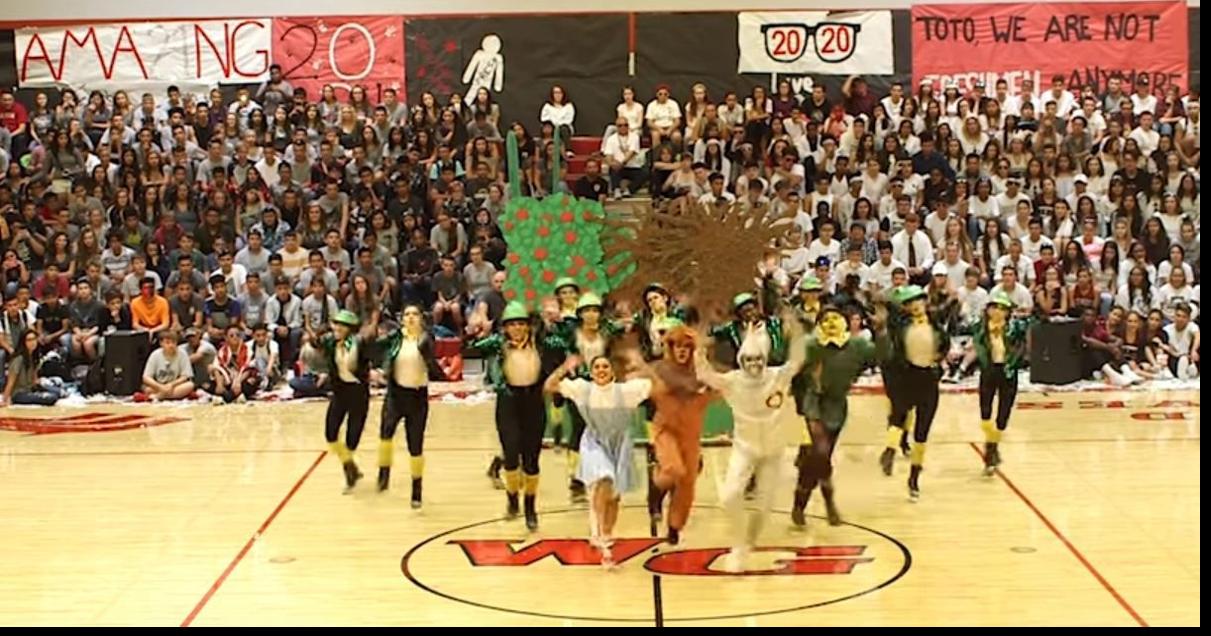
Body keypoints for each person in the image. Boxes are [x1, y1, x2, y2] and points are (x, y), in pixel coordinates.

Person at [695, 316, 807, 571]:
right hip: (745, 448)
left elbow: (798, 360)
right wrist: (699, 349)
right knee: (730, 496)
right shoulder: (732, 381)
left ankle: (748, 543)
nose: (754, 364)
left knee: (764, 505)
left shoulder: (778, 377)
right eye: (749, 359)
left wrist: (797, 333)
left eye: (758, 359)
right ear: (741, 361)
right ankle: (738, 542)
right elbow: (704, 374)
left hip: (773, 451)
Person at [545, 353, 651, 569]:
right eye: (597, 367)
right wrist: (565, 367)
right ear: (591, 372)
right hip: (594, 441)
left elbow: (658, 386)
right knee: (604, 479)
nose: (601, 370)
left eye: (605, 366)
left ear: (612, 371)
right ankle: (599, 534)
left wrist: (642, 366)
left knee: (613, 496)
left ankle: (606, 534)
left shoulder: (626, 391)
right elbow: (550, 385)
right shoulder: (582, 389)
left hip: (620, 445)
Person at [470, 302, 567, 531]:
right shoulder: (498, 344)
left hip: (533, 402)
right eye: (512, 325)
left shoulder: (542, 344)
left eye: (521, 324)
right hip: (508, 402)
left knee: (532, 460)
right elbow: (474, 348)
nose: (517, 329)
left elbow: (565, 344)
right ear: (505, 328)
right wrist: (479, 331)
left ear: (529, 326)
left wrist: (559, 323)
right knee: (511, 455)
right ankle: (512, 498)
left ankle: (530, 507)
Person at [788, 306, 876, 527]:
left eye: (836, 318)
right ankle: (829, 503)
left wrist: (883, 329)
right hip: (813, 403)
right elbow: (791, 370)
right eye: (826, 319)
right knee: (821, 451)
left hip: (837, 406)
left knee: (817, 460)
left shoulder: (855, 346)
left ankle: (800, 500)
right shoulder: (810, 345)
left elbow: (879, 356)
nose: (831, 323)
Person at [877, 285, 949, 500]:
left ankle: (914, 477)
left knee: (922, 433)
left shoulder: (935, 325)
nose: (915, 306)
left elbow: (944, 344)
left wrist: (940, 358)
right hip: (907, 376)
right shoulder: (900, 325)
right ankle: (889, 450)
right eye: (909, 304)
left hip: (929, 379)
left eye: (918, 301)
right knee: (899, 415)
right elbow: (888, 306)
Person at [376, 304, 445, 507]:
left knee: (415, 445)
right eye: (407, 314)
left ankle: (417, 487)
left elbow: (433, 362)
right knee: (386, 434)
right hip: (396, 394)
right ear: (401, 319)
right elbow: (376, 345)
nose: (411, 317)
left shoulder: (426, 338)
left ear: (421, 318)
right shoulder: (396, 337)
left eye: (415, 314)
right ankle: (384, 472)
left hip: (417, 398)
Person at [973, 292, 1031, 474]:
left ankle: (992, 446)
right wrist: (986, 364)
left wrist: (1013, 363)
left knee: (1003, 413)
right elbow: (979, 347)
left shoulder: (1015, 327)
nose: (998, 312)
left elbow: (1021, 347)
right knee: (985, 412)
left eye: (1002, 308)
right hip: (989, 371)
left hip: (1007, 372)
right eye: (994, 307)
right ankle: (990, 441)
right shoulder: (981, 328)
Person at [2, 329, 65, 406]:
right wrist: (5, 399)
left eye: (34, 339)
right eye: (29, 340)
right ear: (24, 342)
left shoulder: (33, 357)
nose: (32, 342)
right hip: (19, 393)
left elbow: (35, 379)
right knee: (51, 397)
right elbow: (10, 382)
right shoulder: (18, 359)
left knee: (60, 392)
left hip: (31, 388)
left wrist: (44, 386)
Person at [139, 329, 195, 401]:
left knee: (190, 385)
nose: (171, 345)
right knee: (146, 388)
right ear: (161, 343)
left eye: (173, 342)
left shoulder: (182, 354)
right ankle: (170, 396)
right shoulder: (155, 354)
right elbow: (146, 378)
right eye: (168, 343)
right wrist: (160, 387)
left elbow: (185, 376)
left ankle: (158, 396)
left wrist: (171, 385)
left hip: (174, 386)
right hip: (158, 385)